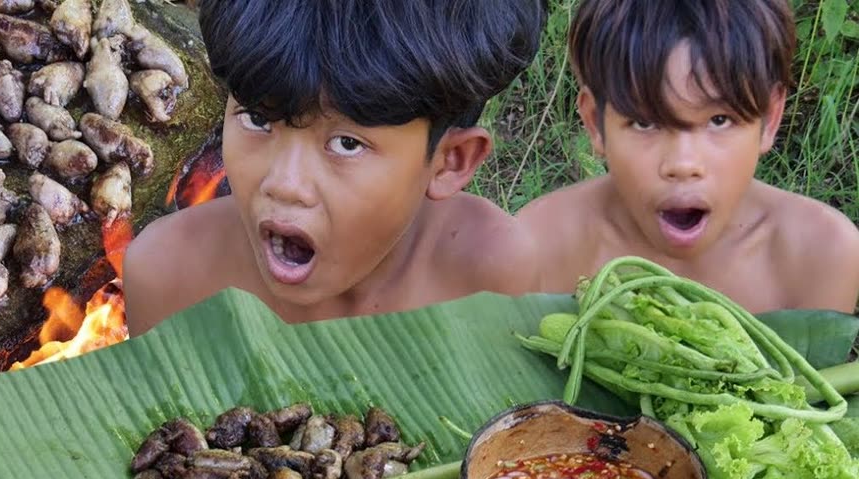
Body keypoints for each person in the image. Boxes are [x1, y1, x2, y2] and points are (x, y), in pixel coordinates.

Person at [123, 0, 546, 336]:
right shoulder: (168, 274)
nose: (285, 185)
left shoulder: (491, 279)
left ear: (450, 161)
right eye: (257, 118)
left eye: (346, 144)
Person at [517, 0, 859, 315]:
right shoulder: (541, 245)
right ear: (595, 123)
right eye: (645, 122)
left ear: (770, 119)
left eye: (719, 120)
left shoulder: (820, 256)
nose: (683, 164)